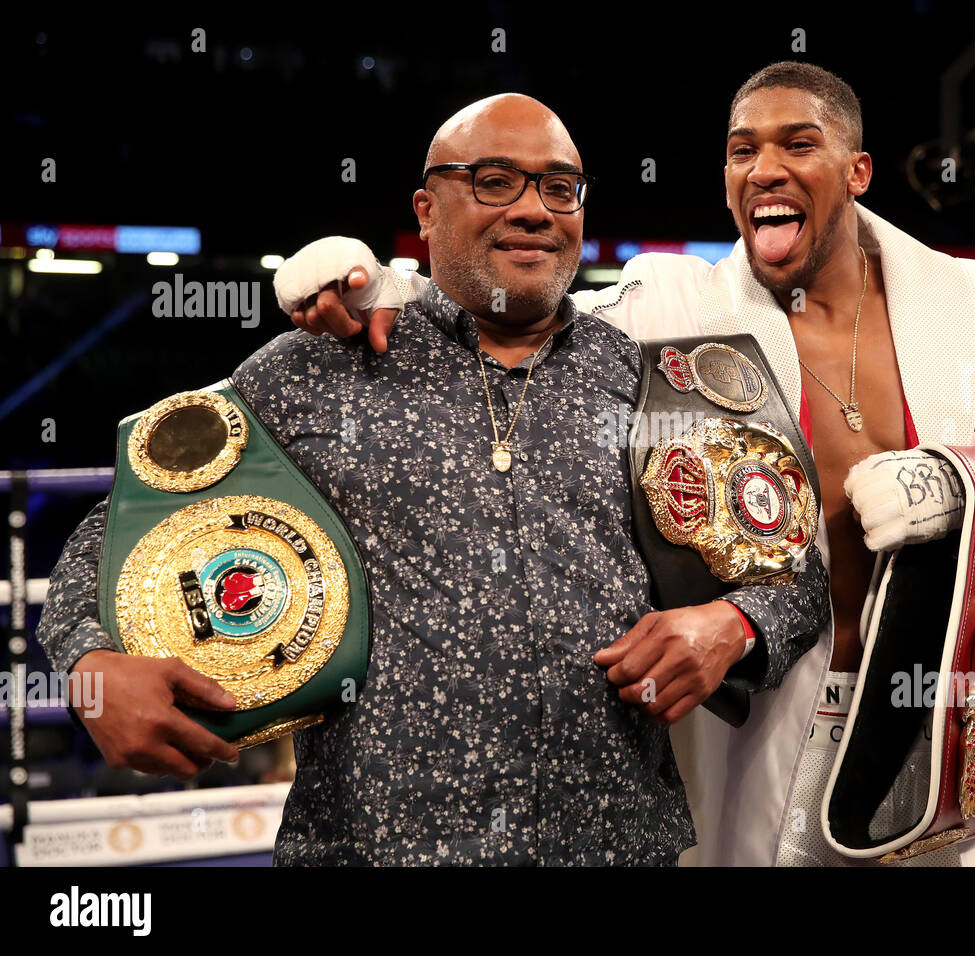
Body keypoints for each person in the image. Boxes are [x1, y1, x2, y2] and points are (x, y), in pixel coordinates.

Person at [276, 62, 975, 866]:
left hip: (960, 718)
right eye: (742, 150)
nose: (765, 169)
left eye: (799, 143)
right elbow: (519, 308)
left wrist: (962, 486)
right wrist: (374, 283)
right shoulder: (671, 304)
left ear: (857, 172)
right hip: (767, 733)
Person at [34, 93, 829, 866]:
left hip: (614, 846)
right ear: (425, 209)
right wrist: (92, 668)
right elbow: (115, 531)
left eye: (560, 188)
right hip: (366, 850)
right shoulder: (320, 365)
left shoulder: (644, 378)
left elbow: (793, 567)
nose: (533, 210)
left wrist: (733, 624)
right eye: (494, 181)